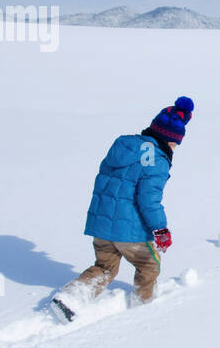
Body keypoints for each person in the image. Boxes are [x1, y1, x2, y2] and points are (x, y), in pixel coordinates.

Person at [51, 97, 194, 321]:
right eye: (176, 143)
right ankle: (143, 310)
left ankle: (70, 299)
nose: (175, 148)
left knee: (105, 267)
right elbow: (149, 200)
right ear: (169, 139)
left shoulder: (123, 145)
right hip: (129, 231)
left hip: (101, 223)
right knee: (149, 265)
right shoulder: (156, 159)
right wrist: (160, 229)